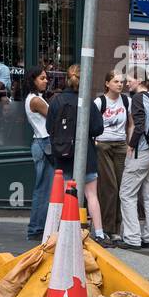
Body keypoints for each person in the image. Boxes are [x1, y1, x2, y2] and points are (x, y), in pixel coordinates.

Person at [44, 64, 108, 244]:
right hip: (86, 155)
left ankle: (60, 232)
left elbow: (49, 127)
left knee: (64, 196)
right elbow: (98, 128)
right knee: (91, 195)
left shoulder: (56, 100)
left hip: (63, 154)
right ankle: (100, 233)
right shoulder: (86, 101)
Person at [119, 67, 149, 249]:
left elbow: (139, 126)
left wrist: (131, 144)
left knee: (127, 194)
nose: (127, 83)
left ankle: (132, 238)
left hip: (141, 152)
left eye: (130, 80)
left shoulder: (137, 99)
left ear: (140, 80)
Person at [94, 70, 129, 242]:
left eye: (121, 82)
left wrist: (129, 143)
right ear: (107, 83)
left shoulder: (126, 101)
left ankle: (116, 228)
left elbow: (131, 124)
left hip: (121, 145)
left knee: (121, 188)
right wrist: (95, 141)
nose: (120, 84)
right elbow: (90, 122)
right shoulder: (99, 101)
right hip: (103, 145)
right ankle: (107, 228)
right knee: (110, 187)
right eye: (116, 81)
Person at [23, 66, 53, 240]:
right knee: (43, 189)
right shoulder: (35, 101)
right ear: (33, 80)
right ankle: (36, 229)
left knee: (45, 188)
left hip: (41, 143)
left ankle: (38, 227)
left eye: (46, 78)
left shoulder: (36, 98)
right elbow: (54, 117)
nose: (46, 80)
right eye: (42, 78)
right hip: (44, 143)